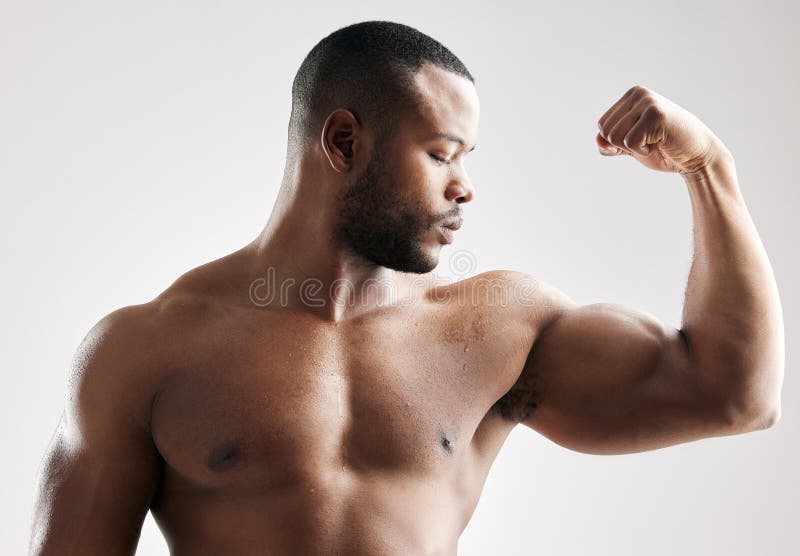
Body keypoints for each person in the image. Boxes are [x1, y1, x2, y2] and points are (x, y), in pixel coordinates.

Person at [28, 20, 783, 556]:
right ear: (344, 143)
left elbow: (734, 396)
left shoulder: (498, 330)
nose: (466, 189)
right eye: (443, 154)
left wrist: (708, 167)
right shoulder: (147, 350)